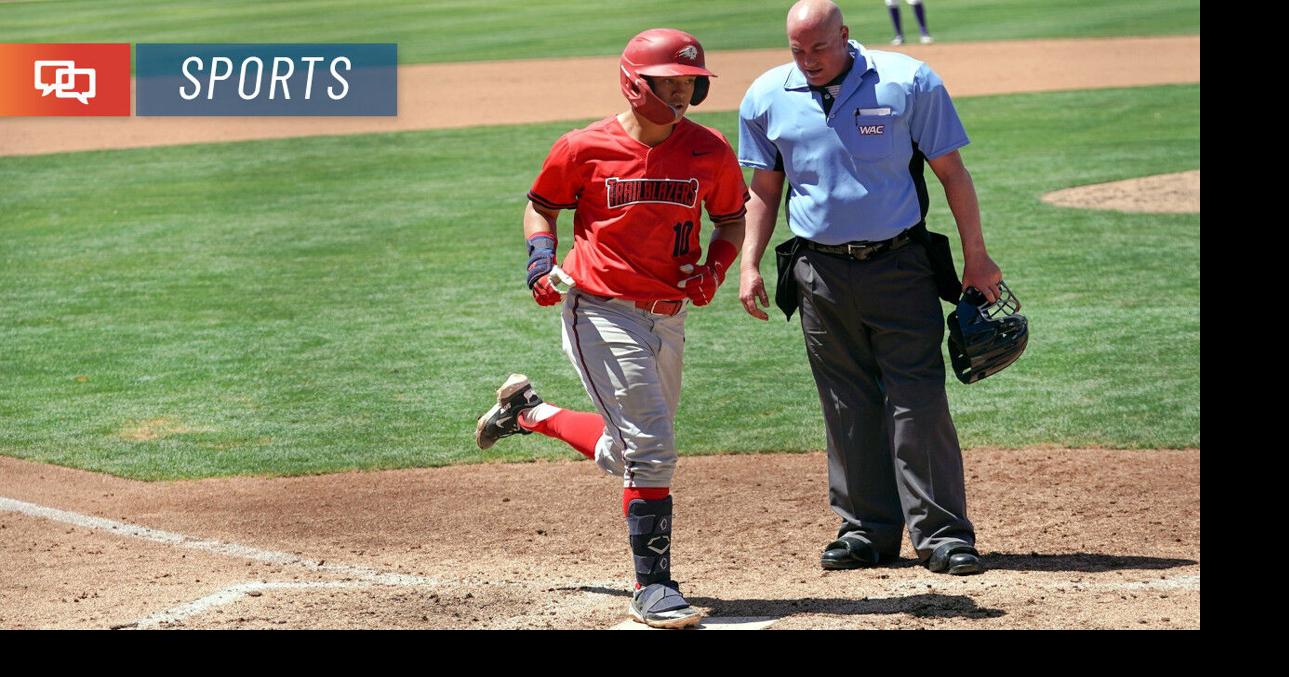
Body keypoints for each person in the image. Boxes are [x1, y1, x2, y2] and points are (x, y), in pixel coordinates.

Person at [474, 28, 749, 628]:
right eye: (669, 82)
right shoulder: (583, 147)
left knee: (623, 450)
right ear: (634, 83)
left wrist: (716, 269)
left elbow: (732, 220)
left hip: (668, 316)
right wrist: (540, 264)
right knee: (651, 448)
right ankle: (654, 587)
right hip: (600, 309)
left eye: (690, 82)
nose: (681, 93)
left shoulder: (709, 150)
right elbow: (542, 205)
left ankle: (530, 412)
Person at [736, 0, 1002, 576]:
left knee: (917, 398)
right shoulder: (766, 95)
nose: (808, 60)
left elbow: (952, 173)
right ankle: (865, 532)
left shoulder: (909, 81)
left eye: (819, 47)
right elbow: (764, 188)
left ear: (846, 35)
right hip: (818, 274)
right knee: (845, 402)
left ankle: (942, 536)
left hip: (900, 265)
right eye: (797, 50)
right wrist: (748, 263)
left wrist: (976, 258)